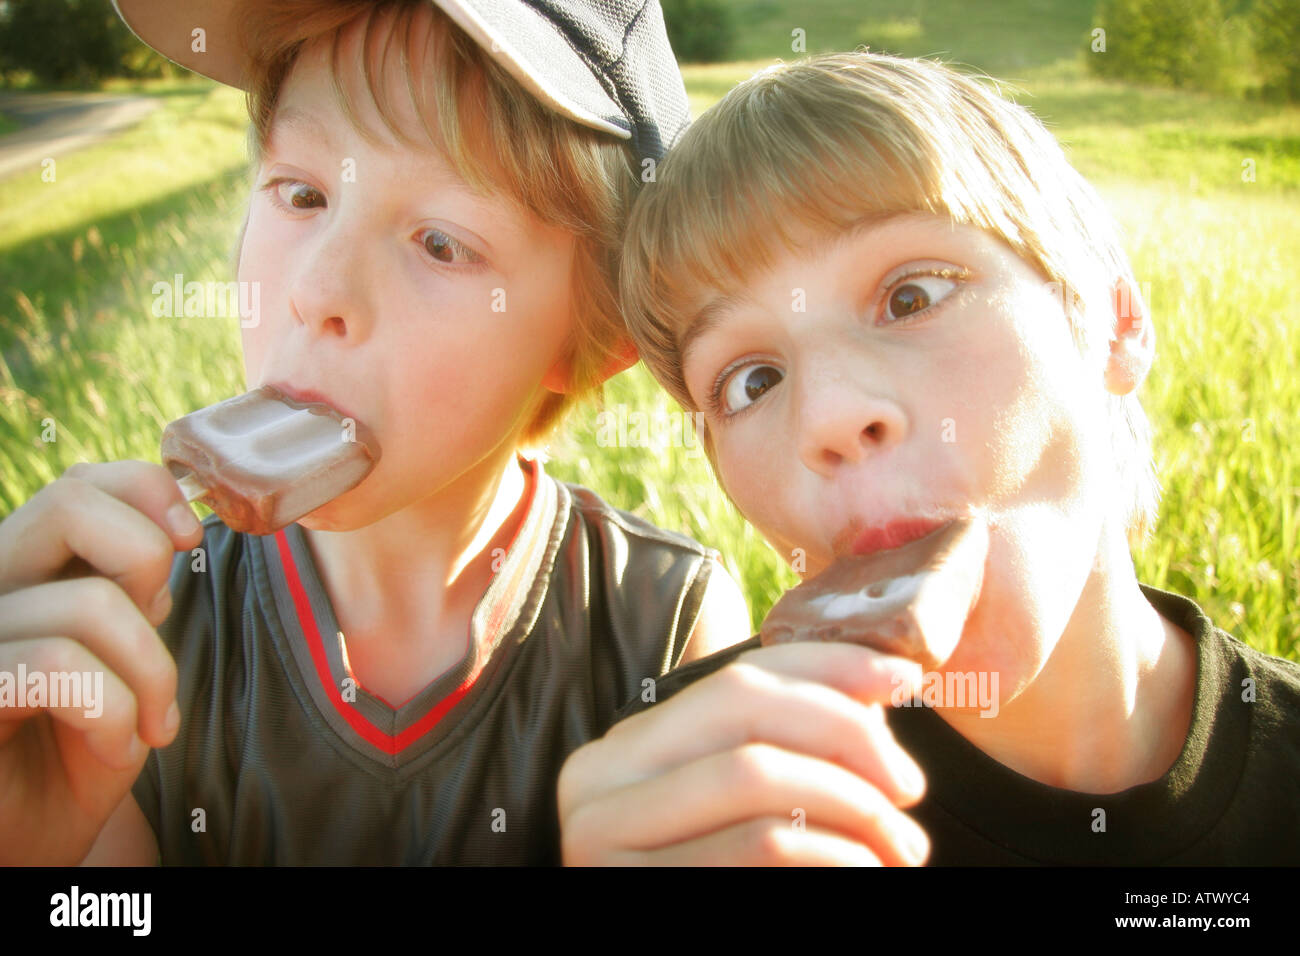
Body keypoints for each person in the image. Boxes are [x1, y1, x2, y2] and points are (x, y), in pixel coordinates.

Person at [0, 0, 750, 865]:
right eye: (303, 193)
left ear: (597, 338)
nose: (316, 290)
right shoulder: (129, 629)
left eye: (440, 242)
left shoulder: (662, 629)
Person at [557, 51, 1300, 865]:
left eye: (912, 296)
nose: (829, 416)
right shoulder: (704, 793)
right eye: (753, 381)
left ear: (1115, 322)